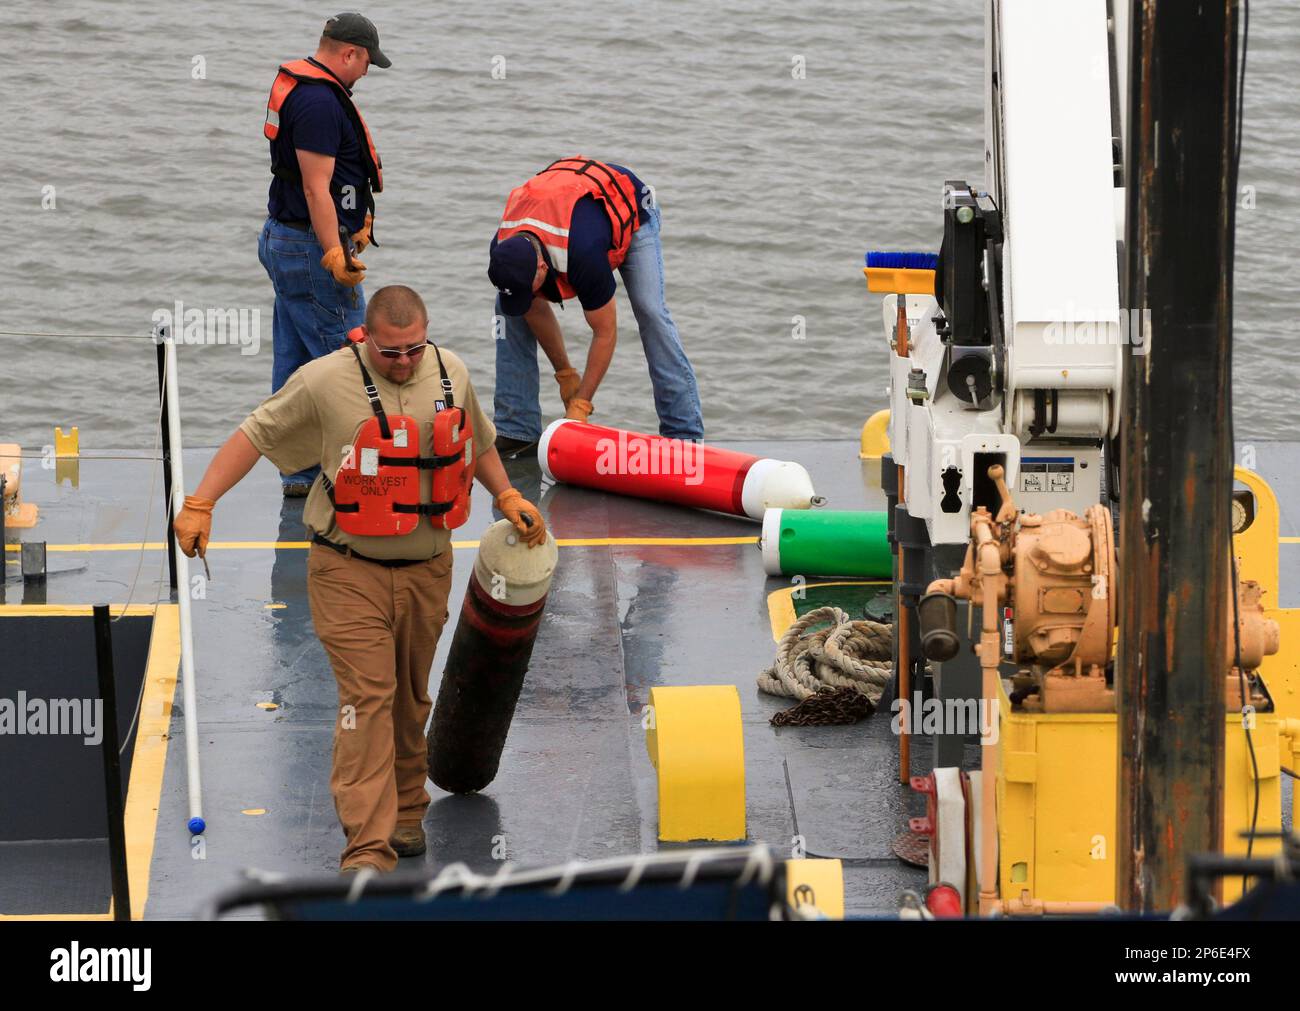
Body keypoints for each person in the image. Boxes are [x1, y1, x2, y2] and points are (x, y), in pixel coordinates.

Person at [172, 285, 547, 873]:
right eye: (390, 351)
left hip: (428, 570)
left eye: (413, 349)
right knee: (366, 699)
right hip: (347, 571)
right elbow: (256, 435)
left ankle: (405, 810)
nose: (403, 361)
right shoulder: (323, 381)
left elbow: (477, 444)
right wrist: (201, 502)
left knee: (410, 694)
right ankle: (367, 849)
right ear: (364, 337)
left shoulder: (452, 372)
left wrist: (506, 493)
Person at [487, 156, 704, 457]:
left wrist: (581, 404)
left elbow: (605, 331)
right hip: (565, 207)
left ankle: (683, 432)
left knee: (650, 312)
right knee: (507, 308)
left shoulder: (583, 252)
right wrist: (565, 374)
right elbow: (532, 308)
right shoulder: (503, 249)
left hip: (630, 208)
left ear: (541, 267)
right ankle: (517, 427)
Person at [260, 12, 390, 495]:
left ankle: (297, 471)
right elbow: (317, 190)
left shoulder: (305, 87)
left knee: (295, 361)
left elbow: (335, 184)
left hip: (288, 239)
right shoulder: (317, 102)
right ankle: (360, 474)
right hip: (309, 249)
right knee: (350, 363)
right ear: (348, 53)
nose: (367, 72)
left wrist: (360, 216)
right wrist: (334, 252)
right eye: (366, 62)